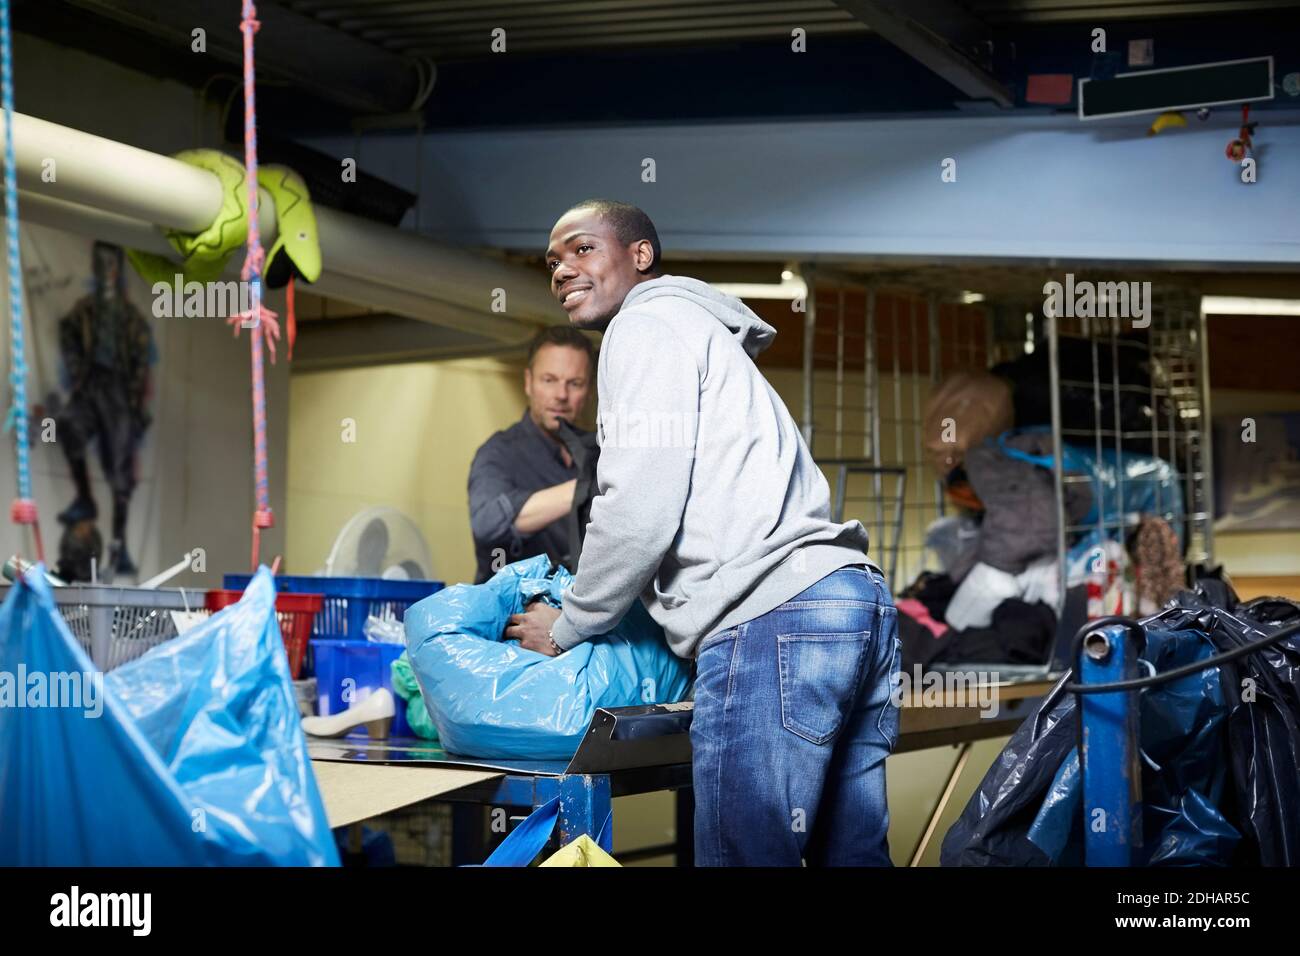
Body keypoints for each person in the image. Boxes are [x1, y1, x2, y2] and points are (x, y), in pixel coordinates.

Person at [506, 198, 901, 866]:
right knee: (853, 856)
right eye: (552, 260)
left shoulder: (645, 328)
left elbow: (637, 509)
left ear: (639, 255)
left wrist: (569, 624)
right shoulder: (700, 335)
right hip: (849, 601)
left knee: (745, 856)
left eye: (581, 249)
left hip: (771, 617)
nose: (562, 269)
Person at [467, 325, 596, 583]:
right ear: (528, 382)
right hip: (510, 618)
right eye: (549, 380)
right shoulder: (500, 452)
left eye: (575, 383)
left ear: (589, 390)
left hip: (574, 618)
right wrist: (589, 487)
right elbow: (487, 523)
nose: (561, 395)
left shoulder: (599, 454)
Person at [55, 241, 153, 577]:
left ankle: (119, 545)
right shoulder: (85, 309)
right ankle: (85, 496)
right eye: (100, 263)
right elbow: (67, 330)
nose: (104, 269)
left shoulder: (130, 317)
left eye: (109, 263)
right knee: (68, 424)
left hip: (117, 391)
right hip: (91, 383)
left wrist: (133, 393)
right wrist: (77, 367)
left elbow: (141, 353)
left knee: (121, 472)